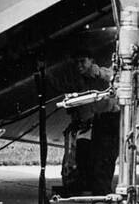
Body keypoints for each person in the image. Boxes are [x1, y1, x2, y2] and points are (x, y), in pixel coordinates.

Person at [43, 53, 120, 196]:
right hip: (98, 121)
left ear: (92, 60)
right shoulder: (84, 80)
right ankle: (88, 189)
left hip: (111, 121)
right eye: (77, 62)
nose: (79, 65)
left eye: (83, 61)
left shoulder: (103, 75)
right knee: (88, 155)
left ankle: (102, 199)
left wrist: (98, 73)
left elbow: (114, 78)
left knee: (103, 164)